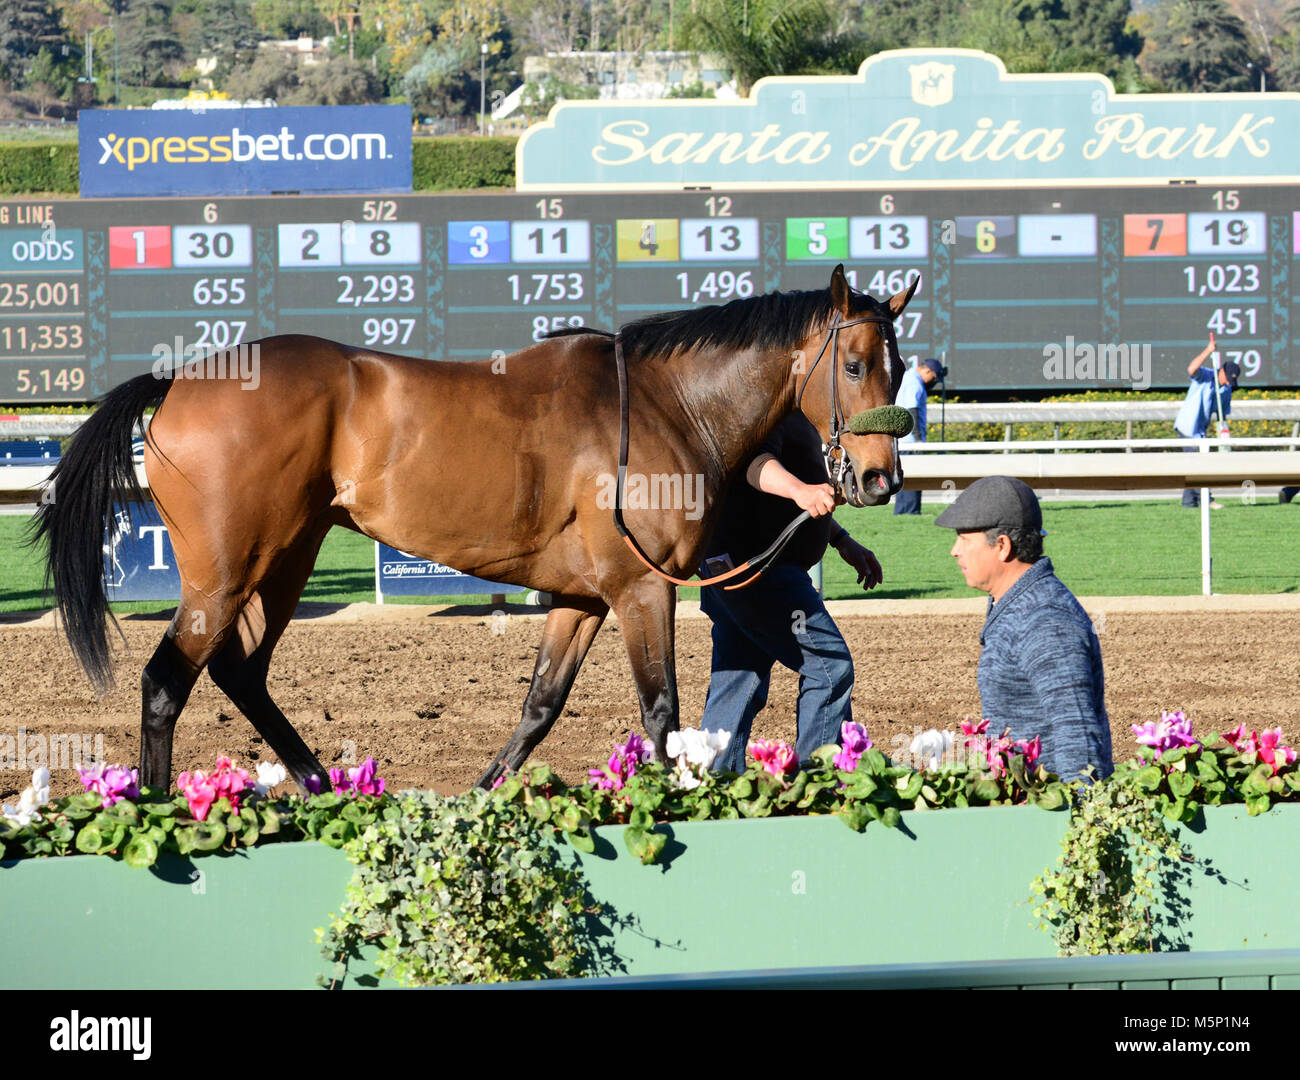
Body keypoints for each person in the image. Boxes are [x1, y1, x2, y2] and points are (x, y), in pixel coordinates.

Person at [699, 412, 882, 773]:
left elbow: (787, 497)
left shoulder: (789, 408)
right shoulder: (771, 405)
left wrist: (841, 539)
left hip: (732, 567)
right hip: (762, 570)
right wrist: (800, 490)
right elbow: (753, 462)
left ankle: (711, 784)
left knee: (738, 674)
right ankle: (818, 783)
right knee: (830, 667)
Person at [935, 475, 1112, 781]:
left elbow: (1077, 733)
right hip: (1028, 805)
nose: (954, 550)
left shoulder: (1046, 619)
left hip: (1050, 813)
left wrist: (1084, 821)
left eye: (964, 538)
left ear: (1002, 546)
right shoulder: (1018, 604)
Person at [1174, 334, 1240, 509]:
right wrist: (1208, 350)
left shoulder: (1226, 390)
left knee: (1193, 463)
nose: (1229, 383)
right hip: (1188, 426)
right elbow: (1191, 369)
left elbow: (1221, 415)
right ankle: (1208, 500)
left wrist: (1224, 433)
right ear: (1222, 372)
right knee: (1198, 464)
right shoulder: (1205, 375)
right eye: (1228, 379)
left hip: (1200, 430)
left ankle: (1188, 502)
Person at [893, 358, 947, 515]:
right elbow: (913, 411)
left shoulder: (907, 377)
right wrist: (918, 441)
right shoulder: (915, 383)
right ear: (927, 371)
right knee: (913, 476)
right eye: (934, 378)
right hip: (910, 441)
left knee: (905, 479)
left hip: (903, 439)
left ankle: (903, 512)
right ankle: (911, 511)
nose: (934, 382)